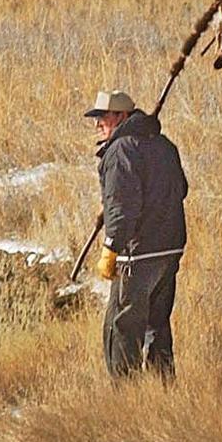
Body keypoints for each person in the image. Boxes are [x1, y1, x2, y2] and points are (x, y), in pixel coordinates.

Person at [87, 89, 189, 379]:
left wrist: (111, 249)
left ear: (121, 116)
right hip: (170, 251)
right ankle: (164, 391)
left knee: (121, 328)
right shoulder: (165, 145)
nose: (98, 124)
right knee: (157, 326)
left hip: (137, 254)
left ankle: (126, 398)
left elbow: (122, 208)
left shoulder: (120, 151)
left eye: (103, 117)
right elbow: (181, 190)